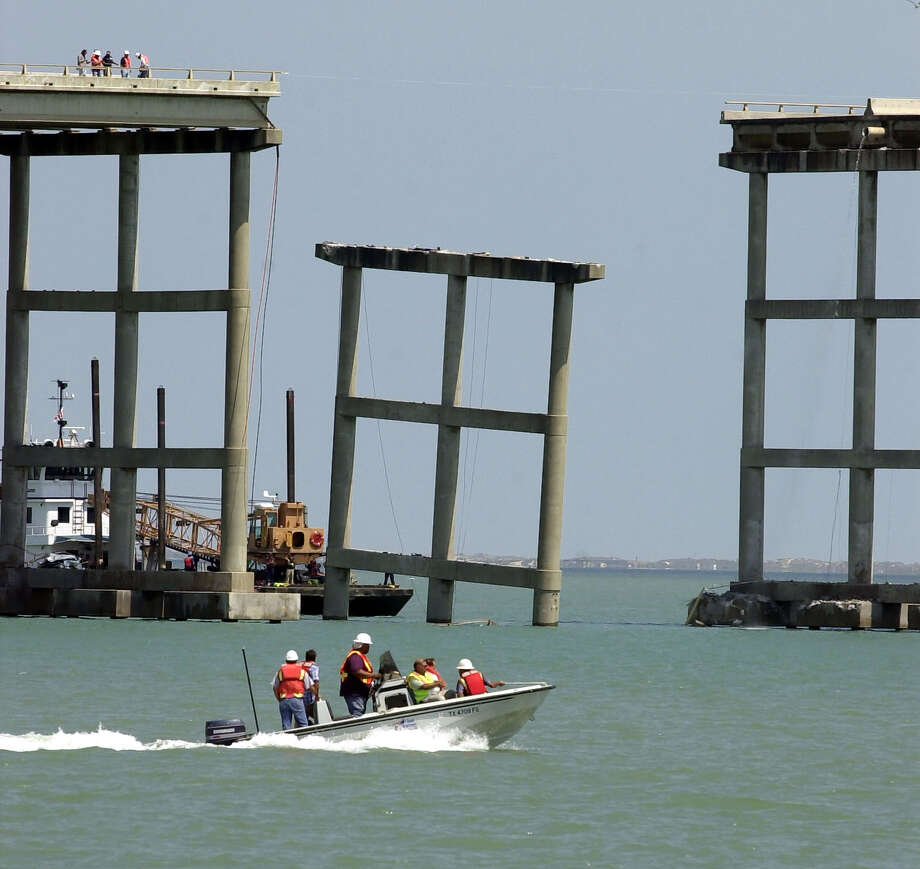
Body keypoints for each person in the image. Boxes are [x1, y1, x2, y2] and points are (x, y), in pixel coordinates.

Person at [339, 632, 380, 717]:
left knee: (359, 712)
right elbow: (356, 671)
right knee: (357, 714)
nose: (369, 647)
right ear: (362, 645)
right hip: (355, 692)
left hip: (357, 691)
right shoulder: (355, 656)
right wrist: (374, 675)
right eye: (368, 645)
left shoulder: (357, 655)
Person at [272, 649, 311, 730]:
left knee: (286, 727)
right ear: (296, 660)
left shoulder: (280, 671)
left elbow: (275, 687)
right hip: (297, 700)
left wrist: (280, 699)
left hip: (284, 701)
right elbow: (310, 686)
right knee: (304, 725)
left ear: (286, 660)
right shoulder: (302, 671)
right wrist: (317, 696)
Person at [302, 649, 320, 724]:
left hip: (299, 696)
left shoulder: (300, 665)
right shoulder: (314, 668)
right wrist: (317, 695)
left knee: (302, 718)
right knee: (316, 716)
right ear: (315, 658)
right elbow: (316, 682)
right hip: (309, 698)